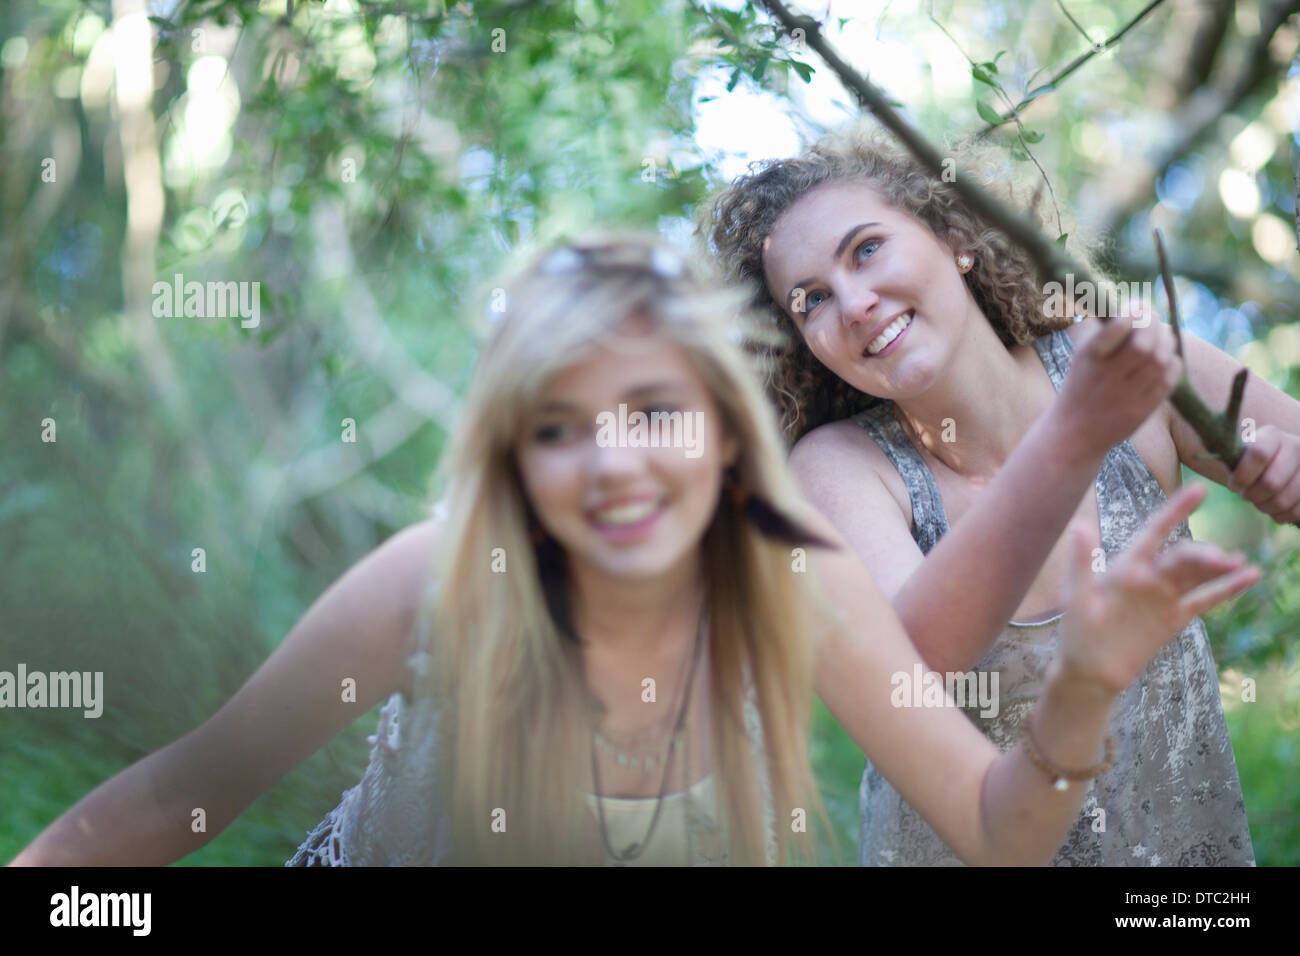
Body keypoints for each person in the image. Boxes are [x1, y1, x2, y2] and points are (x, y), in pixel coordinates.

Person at [8, 233, 1258, 866]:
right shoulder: (436, 578)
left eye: (651, 411)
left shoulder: (793, 576)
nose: (611, 461)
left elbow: (997, 829)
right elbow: (176, 795)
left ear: (720, 432)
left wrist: (1082, 690)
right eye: (557, 426)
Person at [704, 124, 1298, 865]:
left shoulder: (1122, 356)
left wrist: (1286, 472)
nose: (853, 303)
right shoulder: (838, 470)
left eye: (866, 250)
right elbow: (910, 666)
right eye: (811, 300)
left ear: (955, 236)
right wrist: (1071, 437)